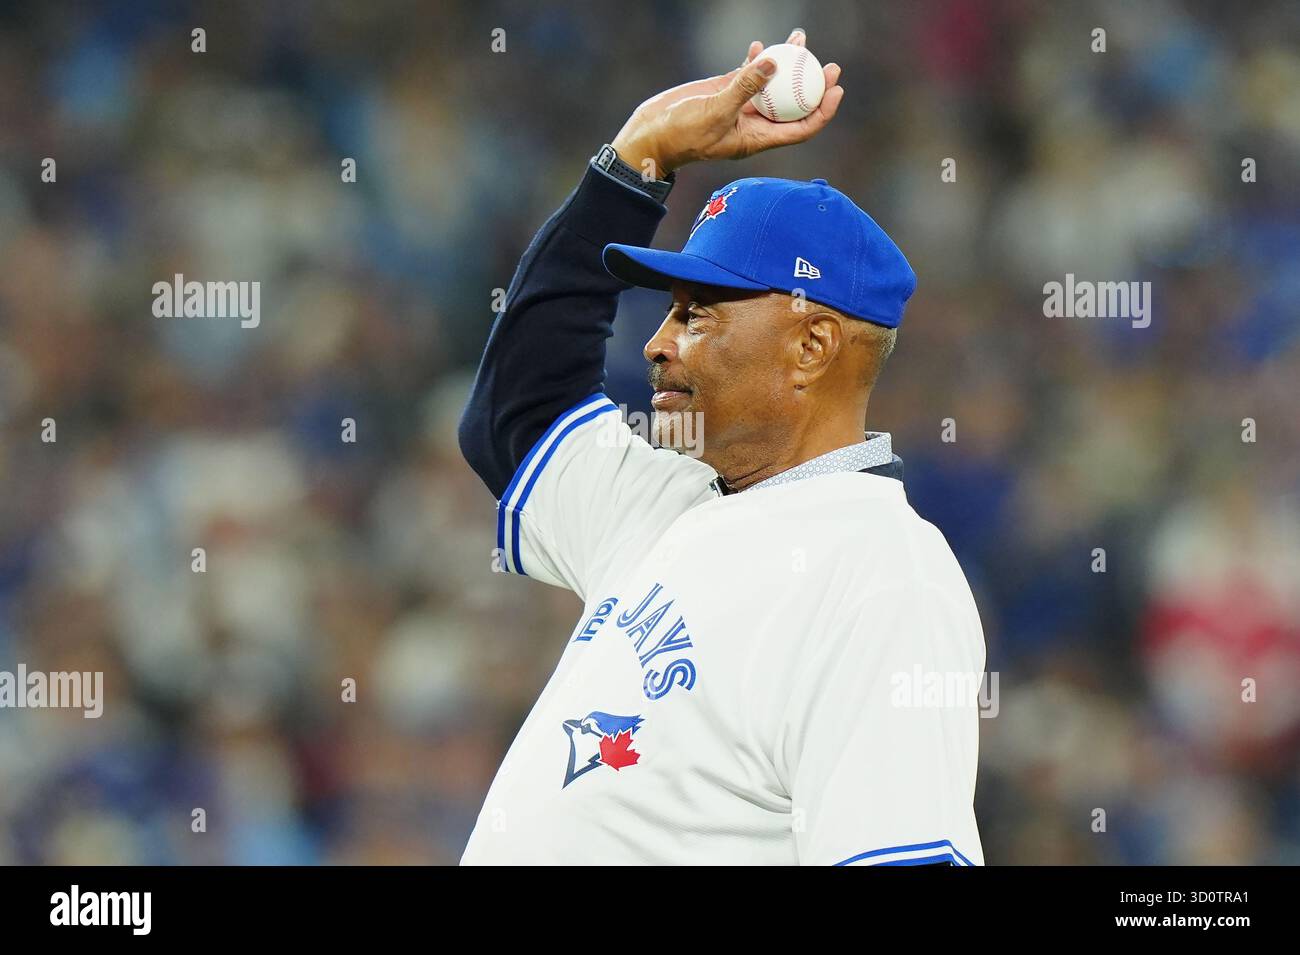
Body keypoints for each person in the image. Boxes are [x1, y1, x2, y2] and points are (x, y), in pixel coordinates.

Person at [458, 29, 985, 865]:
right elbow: (515, 416)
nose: (656, 343)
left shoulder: (886, 573)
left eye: (697, 311)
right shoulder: (672, 497)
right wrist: (638, 157)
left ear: (811, 347)